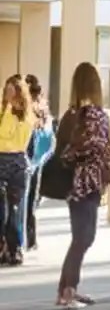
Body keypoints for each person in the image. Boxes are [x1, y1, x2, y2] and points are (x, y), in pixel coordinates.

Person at [56, 63, 110, 309]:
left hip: (73, 184)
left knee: (80, 237)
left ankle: (65, 289)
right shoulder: (95, 114)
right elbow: (98, 146)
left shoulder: (71, 115)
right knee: (84, 237)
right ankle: (69, 290)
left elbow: (64, 151)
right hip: (88, 183)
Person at [0, 75, 35, 266]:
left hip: (17, 162)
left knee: (14, 209)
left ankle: (15, 248)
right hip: (2, 159)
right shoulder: (3, 111)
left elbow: (5, 133)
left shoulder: (25, 115)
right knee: (2, 209)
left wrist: (8, 109)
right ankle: (5, 246)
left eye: (12, 91)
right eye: (6, 91)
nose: (7, 94)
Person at [22, 74, 51, 253]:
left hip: (29, 159)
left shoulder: (33, 110)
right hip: (36, 160)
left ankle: (27, 239)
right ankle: (30, 239)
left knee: (27, 200)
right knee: (31, 200)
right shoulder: (41, 109)